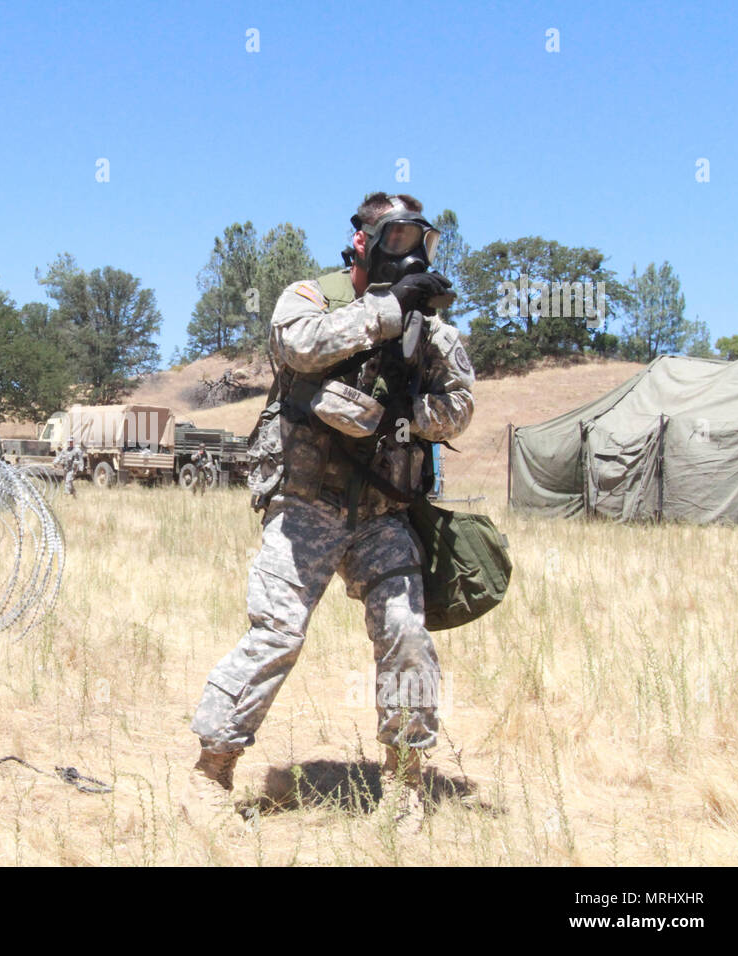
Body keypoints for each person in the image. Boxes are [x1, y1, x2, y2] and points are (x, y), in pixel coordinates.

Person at [185, 192, 474, 831]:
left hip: (383, 512)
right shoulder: (311, 298)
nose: (408, 253)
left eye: (419, 241)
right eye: (394, 238)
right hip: (306, 507)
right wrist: (385, 311)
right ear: (363, 240)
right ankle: (211, 771)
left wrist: (407, 418)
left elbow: (460, 404)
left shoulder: (431, 326)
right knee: (276, 634)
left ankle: (406, 783)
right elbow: (298, 347)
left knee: (406, 636)